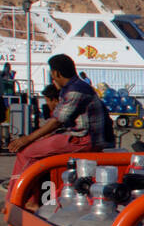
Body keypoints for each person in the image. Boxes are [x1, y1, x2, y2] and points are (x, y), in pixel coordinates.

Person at [7, 54, 112, 186]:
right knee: (37, 146)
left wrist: (27, 139)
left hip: (83, 139)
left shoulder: (75, 91)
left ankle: (21, 200)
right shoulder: (77, 87)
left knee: (26, 153)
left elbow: (57, 121)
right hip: (84, 137)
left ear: (56, 73)